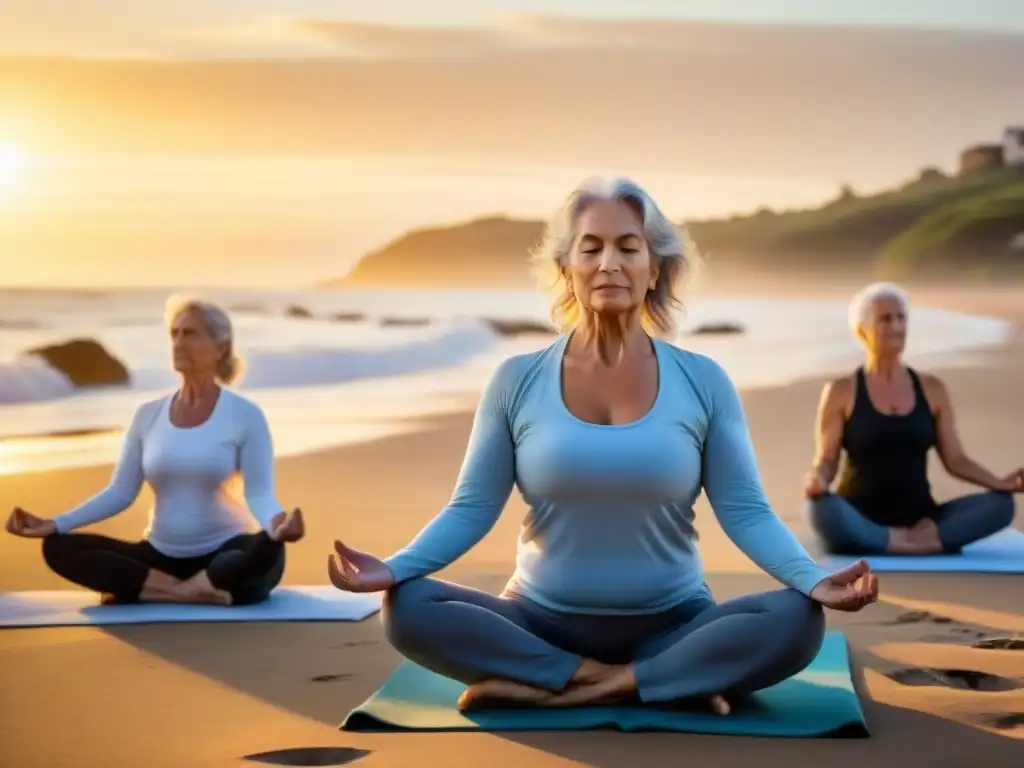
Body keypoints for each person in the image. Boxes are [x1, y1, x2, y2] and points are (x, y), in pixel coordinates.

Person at [324, 176, 878, 715]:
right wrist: (393, 569)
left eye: (628, 247)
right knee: (409, 607)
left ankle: (562, 685)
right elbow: (471, 508)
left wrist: (812, 580)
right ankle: (655, 683)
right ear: (567, 267)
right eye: (591, 247)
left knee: (799, 620)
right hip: (538, 621)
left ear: (654, 268)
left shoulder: (703, 380)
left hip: (675, 624)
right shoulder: (516, 380)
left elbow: (745, 510)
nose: (609, 262)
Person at [4, 296, 305, 605]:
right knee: (57, 547)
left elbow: (259, 494)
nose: (178, 342)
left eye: (189, 334)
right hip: (158, 557)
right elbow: (120, 492)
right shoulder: (148, 415)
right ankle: (187, 591)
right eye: (173, 334)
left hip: (225, 551)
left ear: (220, 347)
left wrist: (276, 525)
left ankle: (155, 590)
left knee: (265, 551)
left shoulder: (244, 415)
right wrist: (56, 523)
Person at [804, 282, 1020, 556]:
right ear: (862, 331)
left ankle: (902, 541)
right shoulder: (842, 390)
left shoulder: (932, 388)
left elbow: (955, 459)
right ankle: (903, 541)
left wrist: (999, 483)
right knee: (819, 509)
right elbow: (827, 459)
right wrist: (818, 480)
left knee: (1002, 505)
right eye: (885, 319)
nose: (896, 326)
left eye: (901, 318)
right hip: (860, 517)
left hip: (922, 519)